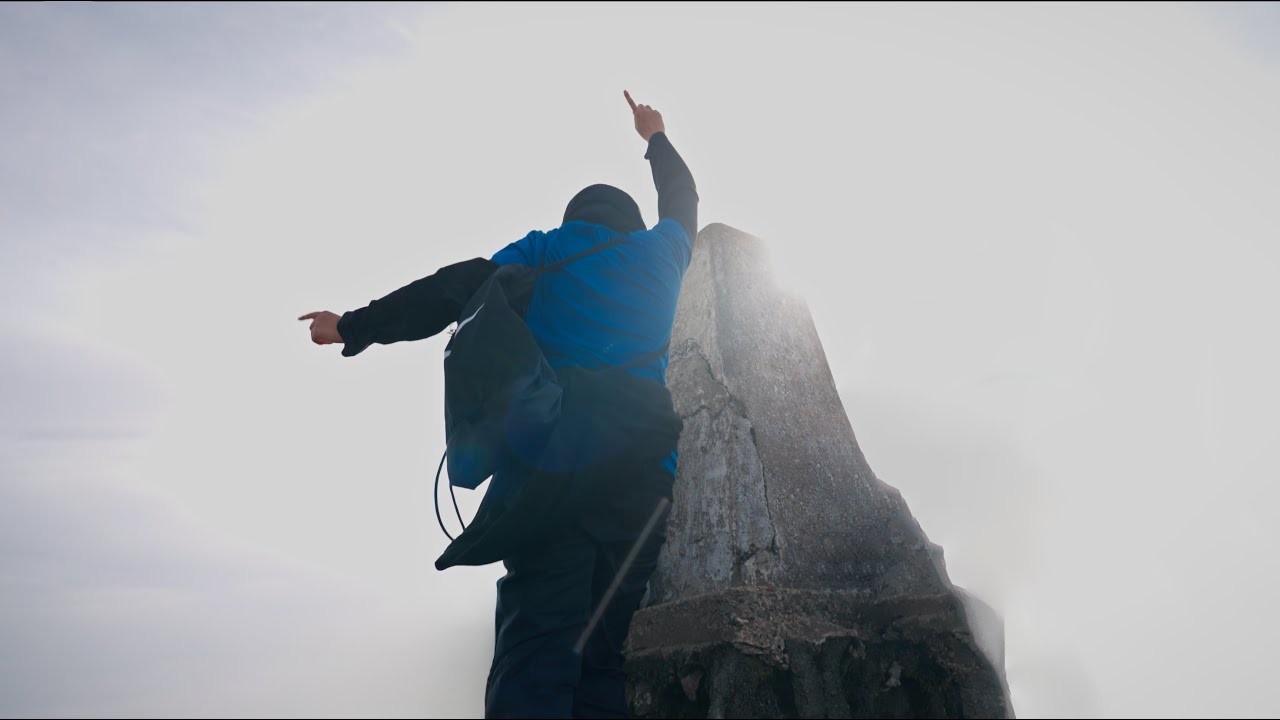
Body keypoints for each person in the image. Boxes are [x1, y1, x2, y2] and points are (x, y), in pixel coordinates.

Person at [298, 90, 698, 719]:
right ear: (632, 224)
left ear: (575, 220)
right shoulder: (665, 253)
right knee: (602, 661)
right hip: (645, 478)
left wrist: (353, 325)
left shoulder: (547, 250)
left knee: (535, 652)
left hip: (555, 468)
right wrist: (656, 136)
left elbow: (451, 291)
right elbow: (682, 197)